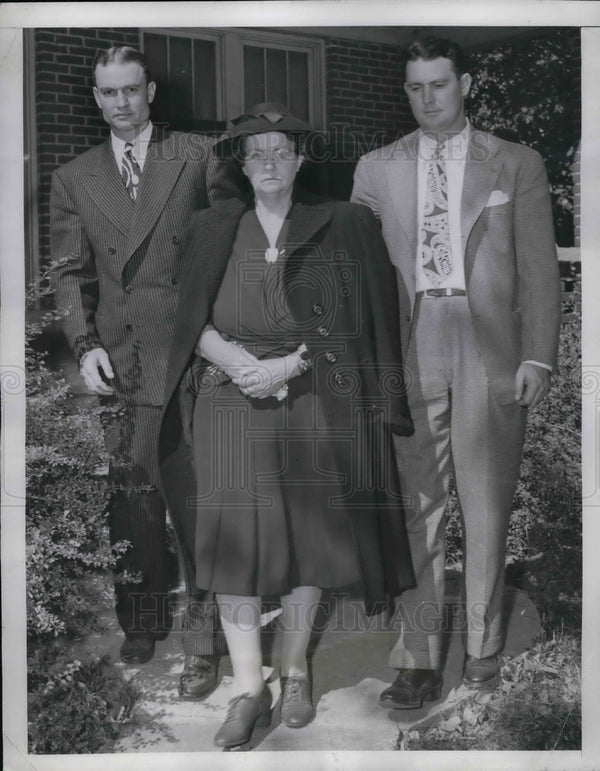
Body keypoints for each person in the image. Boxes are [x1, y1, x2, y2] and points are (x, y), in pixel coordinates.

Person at [158, 103, 415, 748]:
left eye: (280, 150)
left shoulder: (342, 223)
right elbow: (187, 319)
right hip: (227, 400)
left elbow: (358, 321)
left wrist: (287, 366)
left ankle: (294, 667)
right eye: (254, 153)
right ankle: (249, 687)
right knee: (231, 545)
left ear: (301, 158)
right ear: (240, 166)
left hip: (312, 400)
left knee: (308, 538)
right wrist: (241, 363)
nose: (267, 163)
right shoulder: (212, 226)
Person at [351, 35, 561, 707]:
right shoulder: (376, 168)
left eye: (437, 84)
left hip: (490, 346)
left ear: (465, 84)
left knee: (486, 507)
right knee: (420, 509)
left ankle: (482, 651)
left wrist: (537, 354)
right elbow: (362, 279)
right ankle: (417, 658)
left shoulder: (516, 162)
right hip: (414, 346)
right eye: (413, 87)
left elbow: (539, 266)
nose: (425, 98)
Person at [50, 45, 238, 697]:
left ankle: (203, 643)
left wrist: (221, 340)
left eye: (131, 90)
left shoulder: (195, 156)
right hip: (120, 360)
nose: (121, 103)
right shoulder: (74, 177)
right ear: (96, 98)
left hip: (186, 355)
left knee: (194, 504)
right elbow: (70, 275)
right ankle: (142, 618)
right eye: (108, 93)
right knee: (132, 501)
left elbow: (230, 249)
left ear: (150, 92)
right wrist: (82, 342)